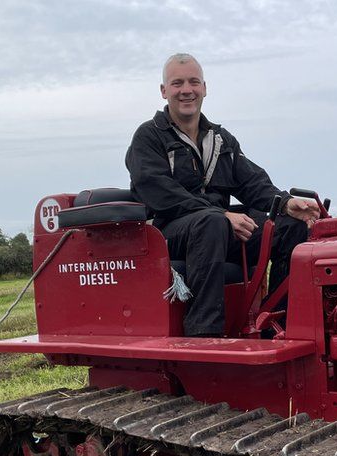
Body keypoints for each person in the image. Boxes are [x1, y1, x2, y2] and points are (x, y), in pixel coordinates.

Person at [126, 53, 320, 337]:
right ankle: (204, 334)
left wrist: (286, 203)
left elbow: (252, 182)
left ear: (204, 87)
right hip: (166, 233)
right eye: (177, 83)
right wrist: (222, 214)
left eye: (193, 82)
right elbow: (160, 194)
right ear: (164, 91)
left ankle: (278, 325)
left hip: (218, 227)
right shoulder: (149, 137)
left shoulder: (221, 139)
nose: (186, 90)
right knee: (211, 223)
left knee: (289, 227)